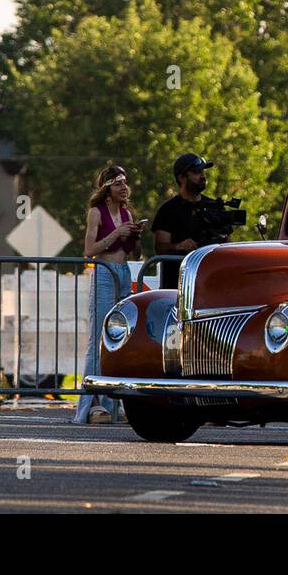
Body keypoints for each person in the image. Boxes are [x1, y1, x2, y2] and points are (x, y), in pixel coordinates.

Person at [74, 164, 141, 425]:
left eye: (125, 182)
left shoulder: (126, 213)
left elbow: (131, 250)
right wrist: (116, 233)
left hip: (123, 272)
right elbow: (89, 250)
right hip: (104, 274)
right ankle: (91, 403)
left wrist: (134, 235)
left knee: (120, 338)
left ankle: (114, 402)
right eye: (118, 183)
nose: (124, 188)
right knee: (98, 338)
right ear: (107, 190)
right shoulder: (96, 212)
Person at [151, 152, 213, 288]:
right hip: (177, 284)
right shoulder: (168, 210)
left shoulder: (215, 208)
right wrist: (178, 246)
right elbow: (160, 247)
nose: (203, 176)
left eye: (203, 172)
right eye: (196, 172)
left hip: (211, 282)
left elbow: (228, 242)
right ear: (181, 177)